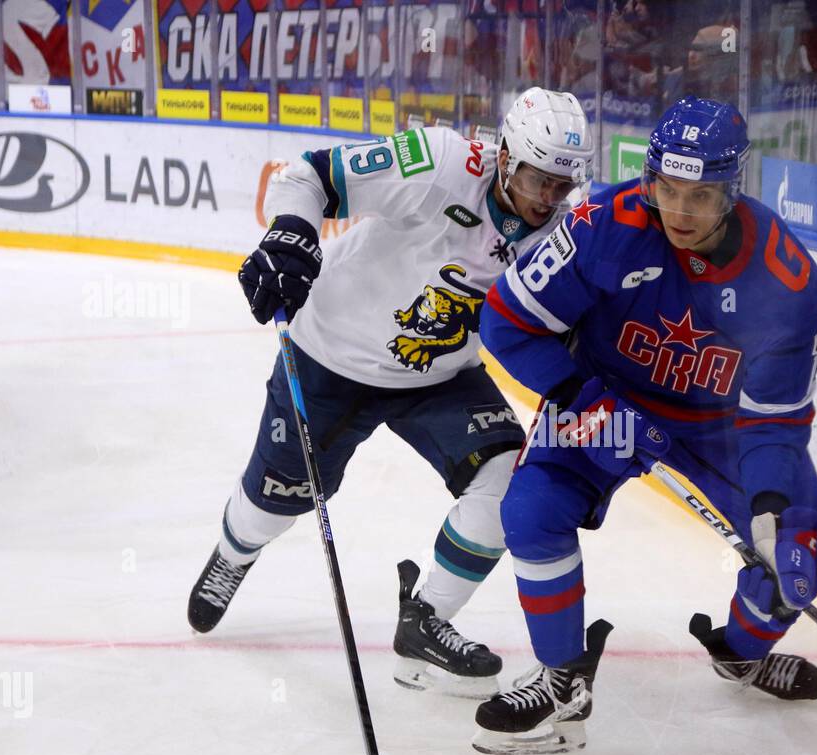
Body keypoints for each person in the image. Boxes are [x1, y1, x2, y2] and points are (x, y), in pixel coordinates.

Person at [186, 88, 594, 699]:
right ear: (505, 154)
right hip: (331, 355)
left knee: (510, 480)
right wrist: (290, 234)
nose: (545, 198)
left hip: (438, 375)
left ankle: (425, 618)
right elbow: (308, 175)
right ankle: (234, 551)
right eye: (536, 178)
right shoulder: (441, 162)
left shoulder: (570, 227)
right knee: (279, 501)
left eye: (559, 187)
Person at [473, 96, 817, 753]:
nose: (678, 211)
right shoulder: (601, 223)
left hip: (718, 428)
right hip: (603, 401)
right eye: (665, 189)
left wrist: (773, 508)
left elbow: (775, 427)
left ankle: (741, 652)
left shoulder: (790, 285)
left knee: (797, 553)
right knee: (529, 512)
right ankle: (561, 677)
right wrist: (579, 396)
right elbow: (506, 322)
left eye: (699, 195)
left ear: (733, 189)